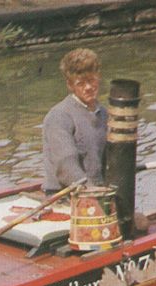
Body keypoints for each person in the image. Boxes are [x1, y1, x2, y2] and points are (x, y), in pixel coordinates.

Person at [42, 48, 108, 194]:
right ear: (70, 85)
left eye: (92, 80)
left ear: (98, 77)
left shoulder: (103, 113)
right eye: (81, 83)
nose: (89, 87)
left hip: (97, 191)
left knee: (139, 217)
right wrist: (91, 191)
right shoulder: (59, 116)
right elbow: (66, 166)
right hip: (66, 196)